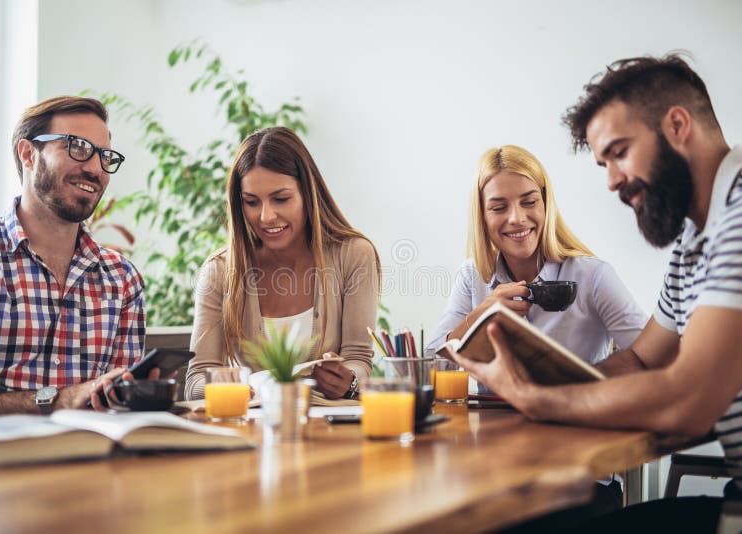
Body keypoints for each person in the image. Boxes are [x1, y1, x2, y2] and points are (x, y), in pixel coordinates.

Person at [447, 54, 741, 531]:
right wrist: (550, 389)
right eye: (604, 163)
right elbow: (642, 358)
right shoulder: (696, 237)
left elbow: (690, 399)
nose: (612, 181)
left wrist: (538, 400)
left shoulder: (738, 216)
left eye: (619, 153)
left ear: (677, 125)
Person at [427, 144, 646, 516]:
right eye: (499, 207)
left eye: (529, 202)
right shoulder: (472, 276)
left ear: (546, 204)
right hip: (496, 469)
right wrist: (480, 314)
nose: (516, 218)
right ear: (482, 215)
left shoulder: (592, 276)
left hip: (578, 474)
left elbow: (648, 355)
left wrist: (576, 384)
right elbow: (434, 364)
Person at [0, 96, 153, 420]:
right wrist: (57, 400)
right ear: (28, 154)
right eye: (78, 147)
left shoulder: (122, 279)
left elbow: (119, 410)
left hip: (91, 451)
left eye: (104, 156)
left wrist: (138, 395)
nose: (95, 169)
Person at [185, 126, 380, 401]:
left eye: (281, 199)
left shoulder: (354, 255)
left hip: (329, 424)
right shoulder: (219, 271)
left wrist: (348, 381)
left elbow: (359, 359)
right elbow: (195, 380)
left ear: (308, 193)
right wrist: (221, 385)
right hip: (254, 424)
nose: (266, 217)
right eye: (252, 202)